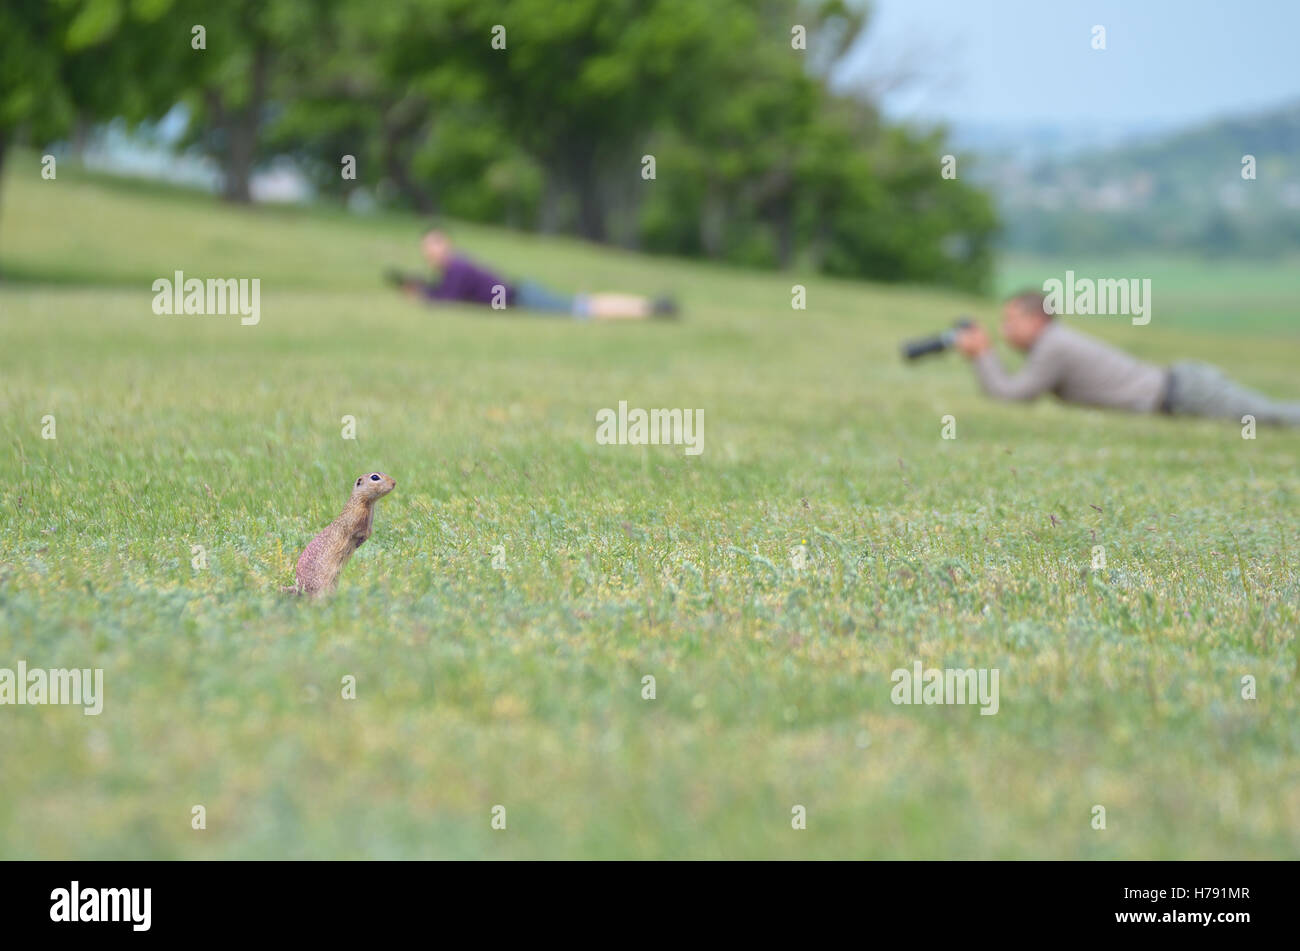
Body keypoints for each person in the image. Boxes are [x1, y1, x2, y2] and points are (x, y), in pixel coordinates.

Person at [955, 290, 1300, 425]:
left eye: (1011, 321)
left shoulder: (1054, 346)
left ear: (1036, 320)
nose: (1005, 330)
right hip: (1181, 388)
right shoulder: (1053, 344)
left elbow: (1014, 396)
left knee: (1272, 417)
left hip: (1186, 391)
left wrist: (983, 354)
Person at [398, 229, 678, 320]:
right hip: (521, 295)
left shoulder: (456, 267)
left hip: (522, 298)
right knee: (584, 305)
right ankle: (649, 307)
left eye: (433, 246)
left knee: (584, 308)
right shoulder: (454, 268)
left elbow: (448, 299)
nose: (430, 254)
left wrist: (420, 294)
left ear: (446, 244)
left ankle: (650, 308)